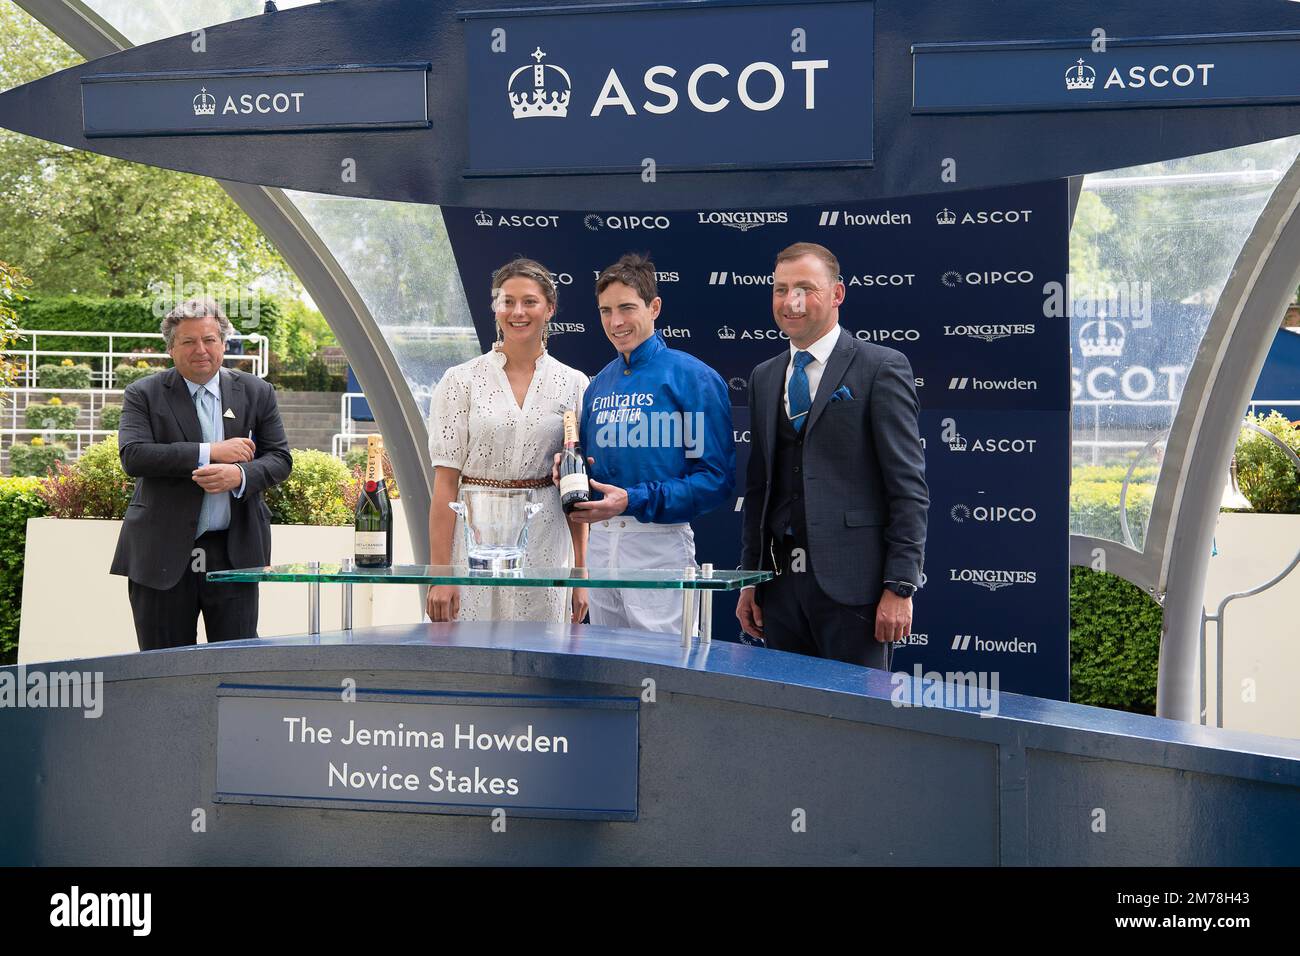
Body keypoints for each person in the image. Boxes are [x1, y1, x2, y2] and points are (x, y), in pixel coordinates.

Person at [736, 242, 928, 668]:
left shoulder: (881, 367)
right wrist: (750, 579)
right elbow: (759, 486)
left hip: (856, 590)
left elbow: (908, 488)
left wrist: (900, 586)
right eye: (781, 289)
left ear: (837, 295)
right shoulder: (764, 377)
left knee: (859, 723)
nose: (791, 301)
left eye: (806, 288)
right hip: (779, 588)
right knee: (791, 720)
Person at [560, 252, 734, 635]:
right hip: (602, 544)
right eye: (606, 311)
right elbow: (589, 471)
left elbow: (715, 479)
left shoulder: (692, 377)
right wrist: (570, 474)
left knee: (666, 667)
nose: (616, 322)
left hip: (659, 543)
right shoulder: (599, 384)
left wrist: (634, 499)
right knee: (610, 667)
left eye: (626, 308)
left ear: (654, 307)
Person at [111, 298, 292, 651]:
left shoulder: (257, 391)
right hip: (161, 556)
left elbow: (280, 459)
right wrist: (210, 452)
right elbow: (134, 456)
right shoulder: (143, 393)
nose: (201, 350)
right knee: (164, 668)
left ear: (224, 344)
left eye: (209, 340)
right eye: (188, 342)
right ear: (171, 349)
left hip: (233, 555)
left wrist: (239, 476)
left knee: (235, 665)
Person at [426, 258, 589, 624]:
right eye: (507, 301)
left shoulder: (574, 383)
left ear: (550, 309)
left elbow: (577, 493)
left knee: (542, 662)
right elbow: (445, 485)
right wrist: (441, 574)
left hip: (546, 541)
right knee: (472, 661)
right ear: (495, 308)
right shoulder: (460, 381)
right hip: (473, 541)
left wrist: (581, 574)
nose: (518, 311)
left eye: (529, 301)